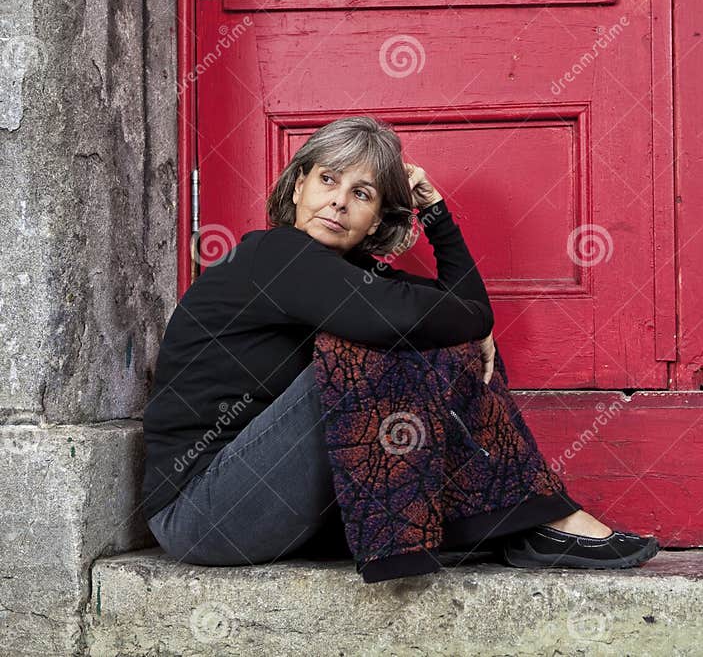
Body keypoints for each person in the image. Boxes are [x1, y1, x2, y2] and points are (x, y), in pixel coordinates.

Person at [140, 115, 659, 583]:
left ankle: (522, 520)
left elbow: (467, 309)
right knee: (391, 343)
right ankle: (536, 519)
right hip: (203, 512)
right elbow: (442, 318)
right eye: (327, 180)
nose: (339, 200)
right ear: (298, 187)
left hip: (270, 504)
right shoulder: (273, 253)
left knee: (419, 336)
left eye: (362, 193)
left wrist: (434, 214)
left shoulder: (350, 277)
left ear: (379, 219)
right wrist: (461, 325)